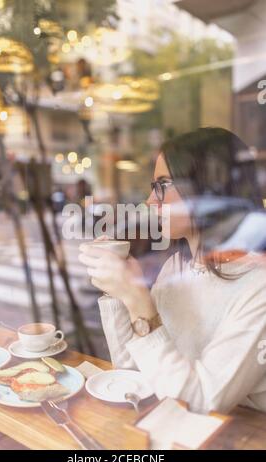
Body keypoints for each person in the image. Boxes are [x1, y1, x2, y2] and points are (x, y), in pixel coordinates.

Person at [79, 127, 266, 414]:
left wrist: (141, 304)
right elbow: (134, 373)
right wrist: (119, 291)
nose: (151, 201)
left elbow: (200, 401)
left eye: (162, 186)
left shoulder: (258, 286)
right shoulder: (175, 269)